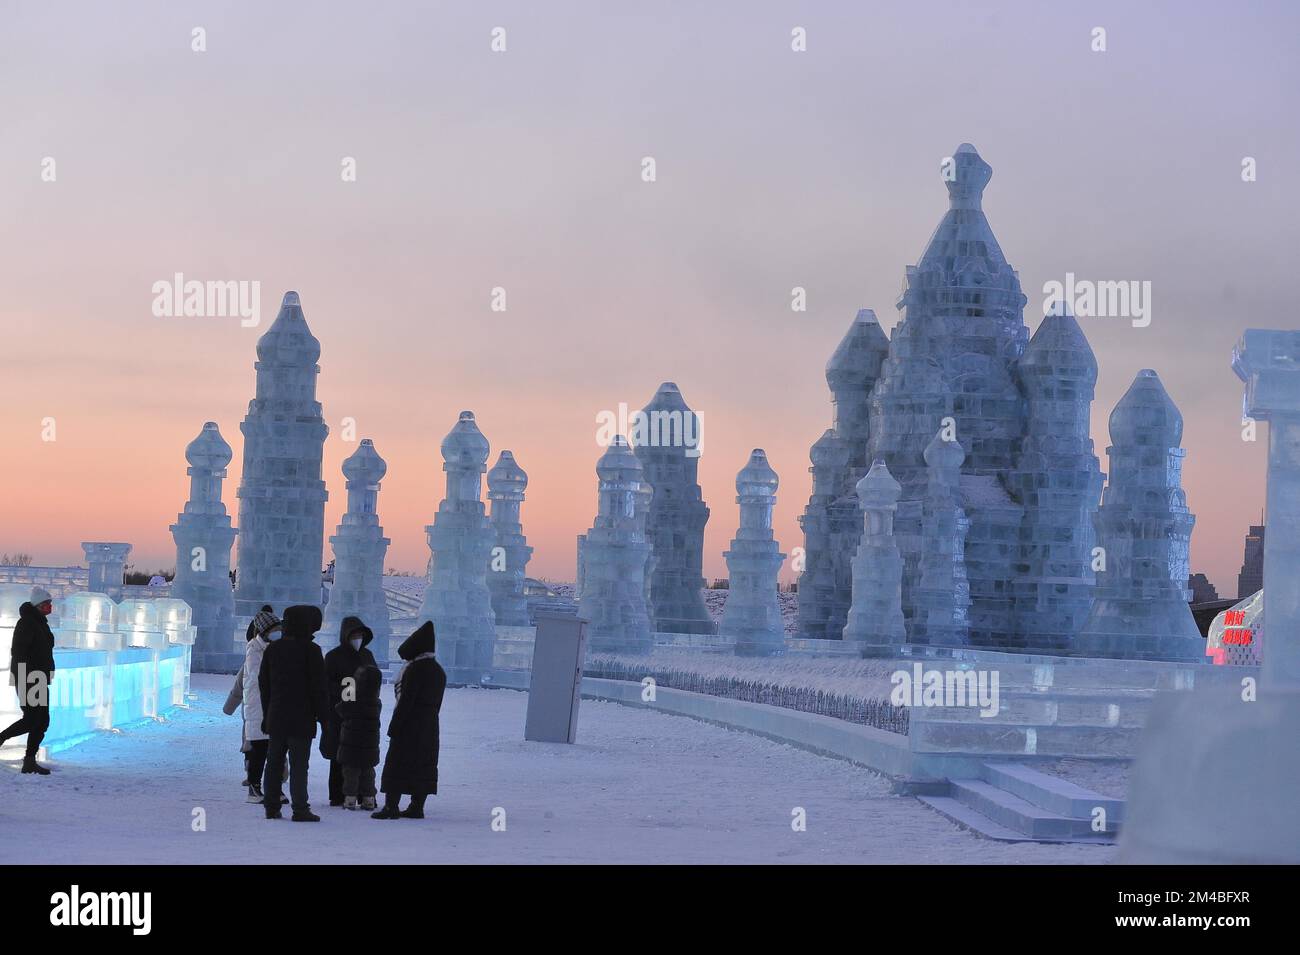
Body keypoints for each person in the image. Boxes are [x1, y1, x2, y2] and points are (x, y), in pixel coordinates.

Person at [259, 605, 328, 822]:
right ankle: (300, 808)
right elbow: (319, 688)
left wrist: (266, 714)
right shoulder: (312, 651)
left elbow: (264, 685)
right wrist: (324, 717)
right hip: (302, 718)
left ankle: (271, 806)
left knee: (274, 763)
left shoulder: (273, 649)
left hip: (277, 716)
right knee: (299, 766)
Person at [373, 621, 446, 820]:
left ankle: (391, 806)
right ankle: (417, 806)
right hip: (430, 724)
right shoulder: (439, 671)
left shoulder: (414, 670)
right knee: (424, 763)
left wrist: (395, 726)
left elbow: (406, 701)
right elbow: (438, 703)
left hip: (410, 724)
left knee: (398, 762)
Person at [320, 616, 376, 806]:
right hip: (339, 714)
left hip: (364, 714)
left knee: (364, 756)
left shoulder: (367, 655)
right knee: (339, 756)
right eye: (354, 635)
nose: (358, 638)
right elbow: (326, 685)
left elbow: (374, 680)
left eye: (360, 635)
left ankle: (363, 794)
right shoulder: (333, 657)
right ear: (345, 635)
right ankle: (338, 794)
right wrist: (349, 690)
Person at [0, 586, 56, 775]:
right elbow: (19, 652)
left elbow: (44, 650)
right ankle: (2, 738)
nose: (50, 606)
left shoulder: (40, 622)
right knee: (33, 719)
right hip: (29, 677)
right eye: (47, 603)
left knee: (42, 721)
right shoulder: (27, 623)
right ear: (39, 605)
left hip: (39, 677)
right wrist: (25, 676)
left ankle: (29, 761)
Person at [229, 609, 280, 801]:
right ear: (266, 630)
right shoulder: (255, 649)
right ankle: (254, 787)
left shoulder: (268, 647)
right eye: (275, 628)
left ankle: (271, 787)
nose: (278, 631)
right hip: (258, 706)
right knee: (258, 750)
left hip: (268, 705)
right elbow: (260, 677)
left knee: (270, 750)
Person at [335, 663, 382, 810]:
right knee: (368, 772)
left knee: (351, 772)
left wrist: (348, 690)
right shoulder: (376, 702)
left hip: (351, 742)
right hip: (370, 744)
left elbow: (340, 709)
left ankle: (350, 798)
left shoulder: (352, 698)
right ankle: (369, 799)